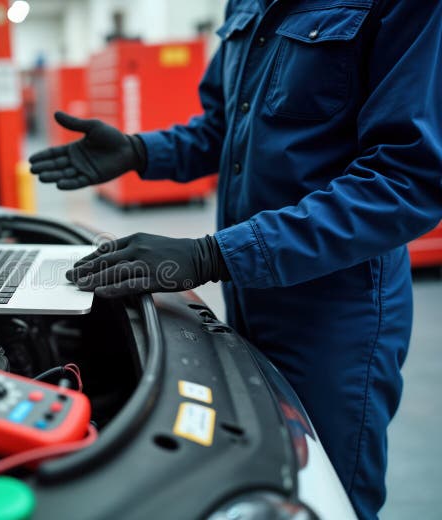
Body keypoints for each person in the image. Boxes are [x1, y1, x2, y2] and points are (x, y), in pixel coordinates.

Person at [28, 1, 442, 518]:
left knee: (326, 496)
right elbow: (224, 130)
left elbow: (405, 181)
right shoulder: (248, 4)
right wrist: (138, 150)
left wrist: (212, 254)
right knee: (266, 481)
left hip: (335, 319)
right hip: (247, 292)